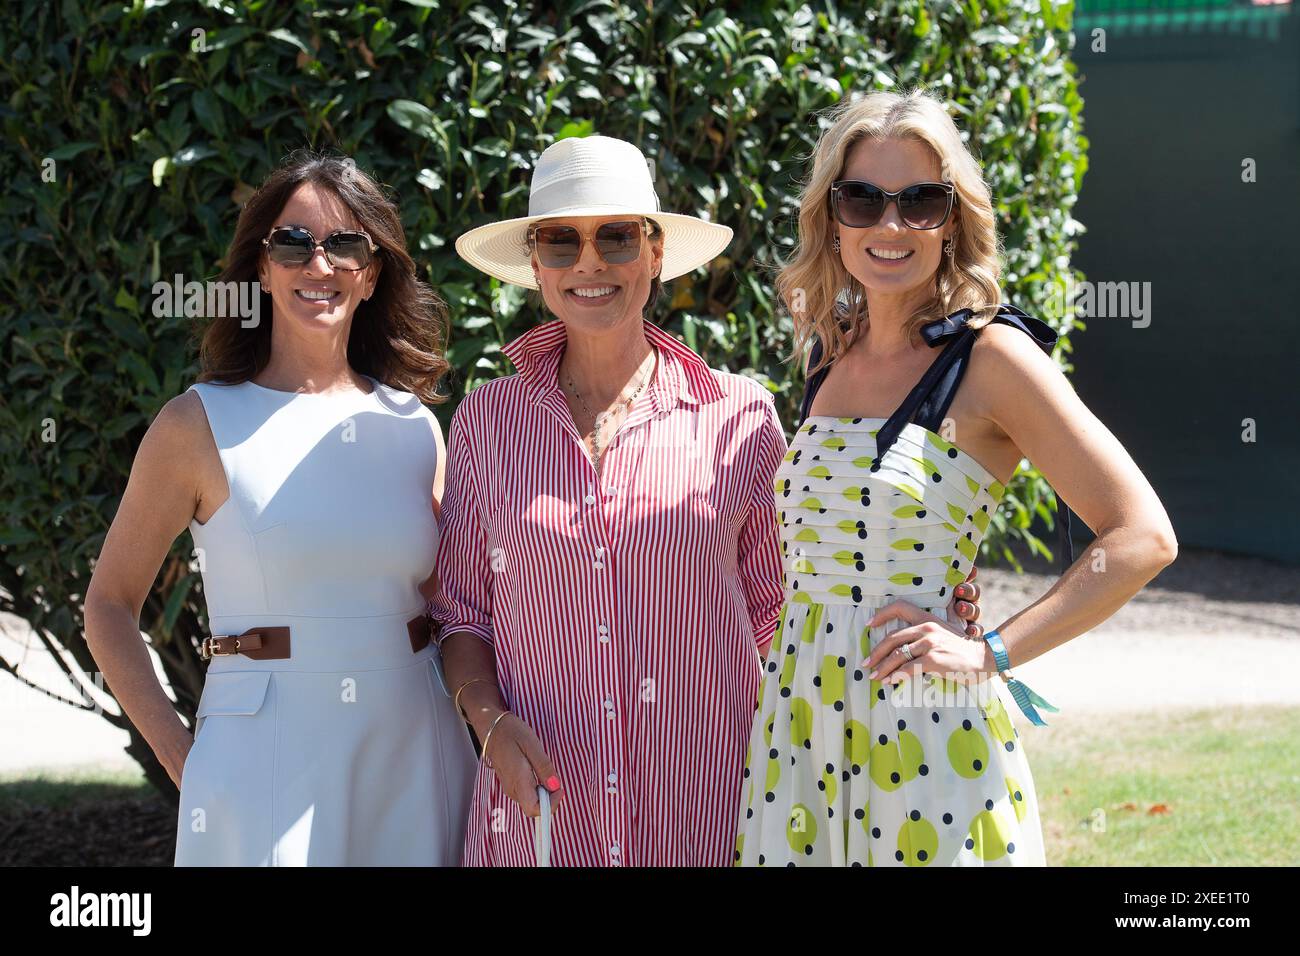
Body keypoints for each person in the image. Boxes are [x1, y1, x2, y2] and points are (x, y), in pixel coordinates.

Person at [432, 134, 982, 866]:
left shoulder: (739, 416)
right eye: (562, 242)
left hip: (712, 813)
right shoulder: (486, 422)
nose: (590, 263)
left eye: (618, 237)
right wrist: (490, 722)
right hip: (541, 818)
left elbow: (793, 607)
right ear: (536, 264)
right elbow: (459, 614)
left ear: (656, 253)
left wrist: (919, 596)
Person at [734, 89, 1178, 866]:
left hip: (927, 730)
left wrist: (992, 652)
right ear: (831, 218)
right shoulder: (824, 357)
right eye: (864, 200)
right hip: (801, 724)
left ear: (953, 218)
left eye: (921, 201)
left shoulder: (993, 360)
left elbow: (1142, 535)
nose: (891, 225)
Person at [83, 151, 477, 865]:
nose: (317, 264)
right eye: (292, 242)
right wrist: (182, 755)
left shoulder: (414, 425)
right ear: (261, 268)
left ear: (373, 272)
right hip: (263, 758)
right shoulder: (195, 423)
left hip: (417, 750)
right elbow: (107, 605)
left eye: (345, 244)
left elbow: (451, 606)